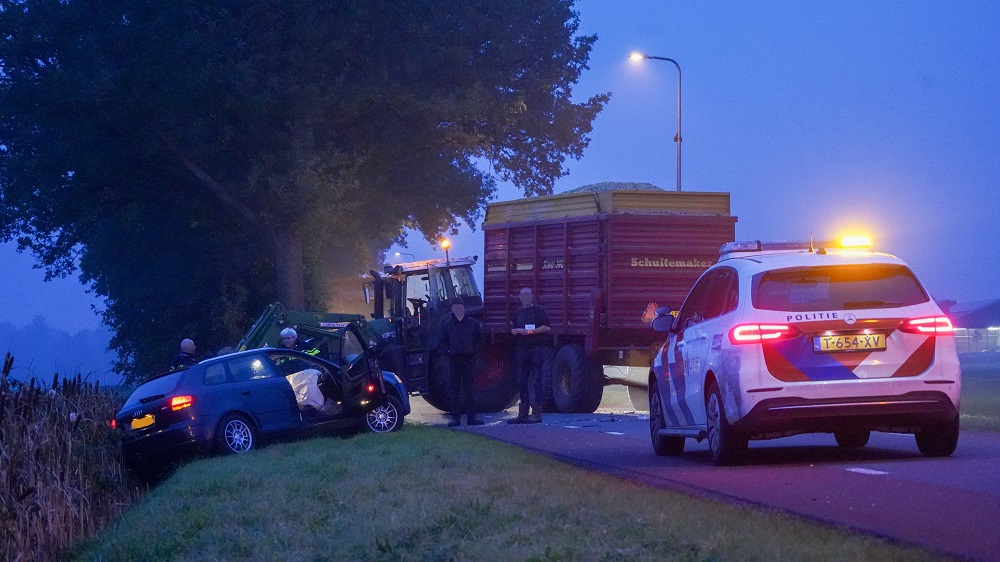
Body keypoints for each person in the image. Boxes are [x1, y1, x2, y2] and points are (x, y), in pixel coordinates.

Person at [507, 287, 551, 424]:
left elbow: (547, 327)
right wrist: (515, 331)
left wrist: (530, 332)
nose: (526, 297)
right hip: (522, 349)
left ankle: (537, 413)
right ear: (520, 297)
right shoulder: (517, 313)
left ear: (532, 296)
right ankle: (522, 413)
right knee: (522, 381)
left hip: (537, 348)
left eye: (528, 295)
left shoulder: (539, 311)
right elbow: (513, 327)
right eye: (523, 295)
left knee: (537, 380)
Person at [439, 297, 485, 427]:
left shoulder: (473, 323)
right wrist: (448, 352)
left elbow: (480, 339)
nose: (458, 309)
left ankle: (472, 418)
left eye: (460, 307)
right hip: (454, 360)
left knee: (470, 390)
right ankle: (455, 418)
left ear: (463, 308)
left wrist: (474, 352)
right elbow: (442, 341)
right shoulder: (447, 324)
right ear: (452, 309)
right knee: (454, 390)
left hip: (469, 360)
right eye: (455, 307)